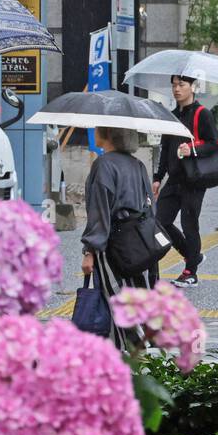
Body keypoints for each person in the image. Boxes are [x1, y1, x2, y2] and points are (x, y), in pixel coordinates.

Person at [81, 126, 158, 345]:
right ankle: (147, 352)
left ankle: (130, 356)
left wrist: (89, 250)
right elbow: (149, 206)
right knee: (136, 298)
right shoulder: (138, 164)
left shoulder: (103, 165)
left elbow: (99, 211)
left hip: (112, 246)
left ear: (106, 133)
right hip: (139, 244)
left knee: (116, 302)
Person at [153, 74, 218, 288]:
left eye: (181, 84)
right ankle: (194, 256)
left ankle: (191, 272)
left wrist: (192, 149)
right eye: (173, 85)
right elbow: (165, 150)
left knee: (189, 225)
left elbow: (213, 144)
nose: (176, 89)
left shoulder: (203, 114)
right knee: (160, 221)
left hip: (194, 180)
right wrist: (157, 178)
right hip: (174, 179)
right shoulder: (171, 117)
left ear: (193, 87)